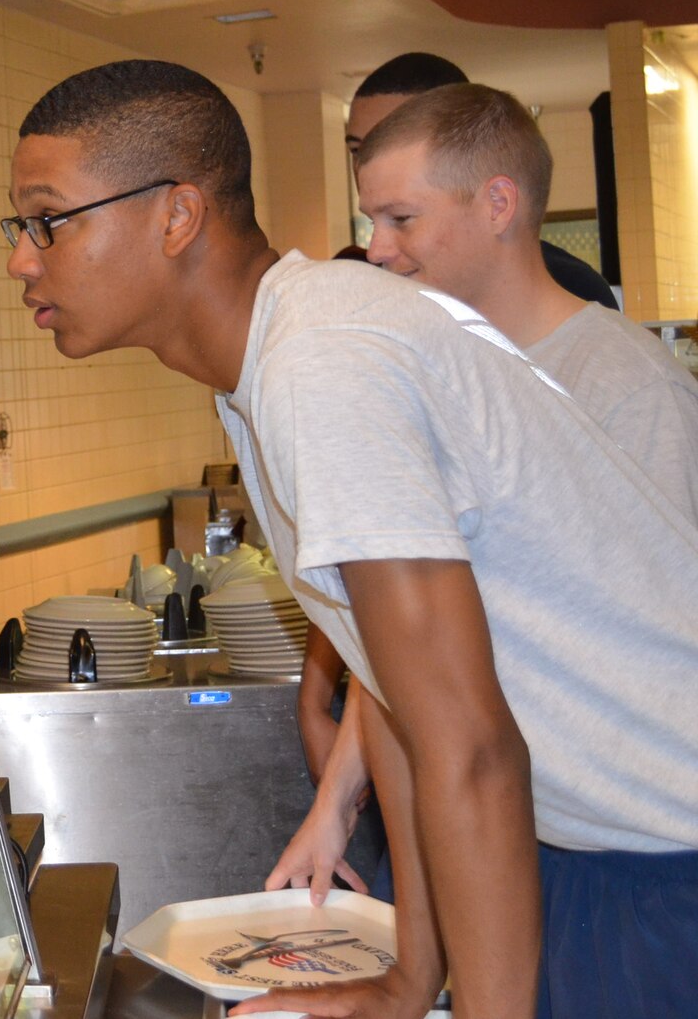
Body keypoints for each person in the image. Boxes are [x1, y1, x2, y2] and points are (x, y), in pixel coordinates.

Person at [5, 59, 698, 1019]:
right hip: (615, 852)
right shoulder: (276, 363)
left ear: (176, 215)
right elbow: (406, 709)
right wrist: (411, 978)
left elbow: (472, 749)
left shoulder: (320, 361)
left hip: (667, 868)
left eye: (49, 220)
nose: (23, 259)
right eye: (19, 228)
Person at [270, 81, 698, 908]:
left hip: (630, 853)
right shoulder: (443, 374)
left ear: (499, 204)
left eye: (401, 219)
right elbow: (419, 634)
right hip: (507, 819)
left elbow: (666, 647)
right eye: (371, 221)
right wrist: (338, 798)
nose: (377, 249)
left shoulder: (629, 388)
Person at [345, 53, 616, 309]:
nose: (368, 165)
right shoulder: (370, 289)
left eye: (394, 139)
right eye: (357, 150)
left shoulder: (572, 289)